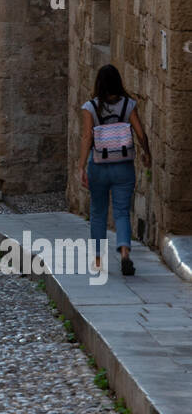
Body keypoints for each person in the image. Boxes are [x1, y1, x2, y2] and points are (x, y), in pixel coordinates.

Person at [79, 64, 151, 276]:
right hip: (123, 167)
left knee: (98, 212)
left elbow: (86, 137)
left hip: (98, 166)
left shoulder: (90, 107)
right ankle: (125, 253)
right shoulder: (129, 105)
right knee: (121, 212)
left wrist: (81, 166)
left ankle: (99, 259)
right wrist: (147, 153)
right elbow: (140, 133)